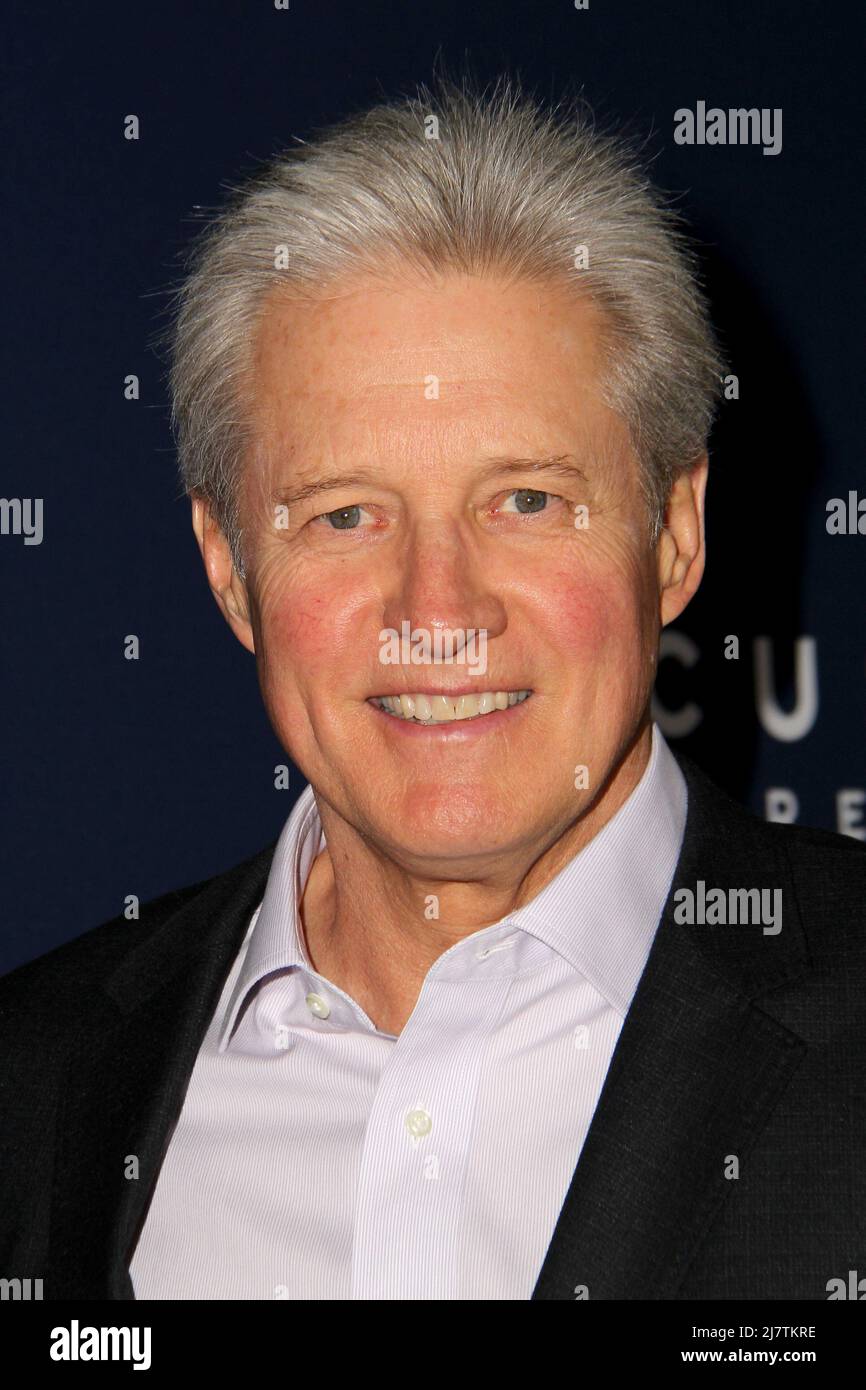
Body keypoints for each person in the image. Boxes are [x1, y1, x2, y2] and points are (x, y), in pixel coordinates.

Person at [2, 75, 864, 1301]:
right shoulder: (33, 1084)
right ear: (229, 571)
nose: (438, 612)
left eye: (524, 501)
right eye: (346, 515)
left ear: (673, 534)